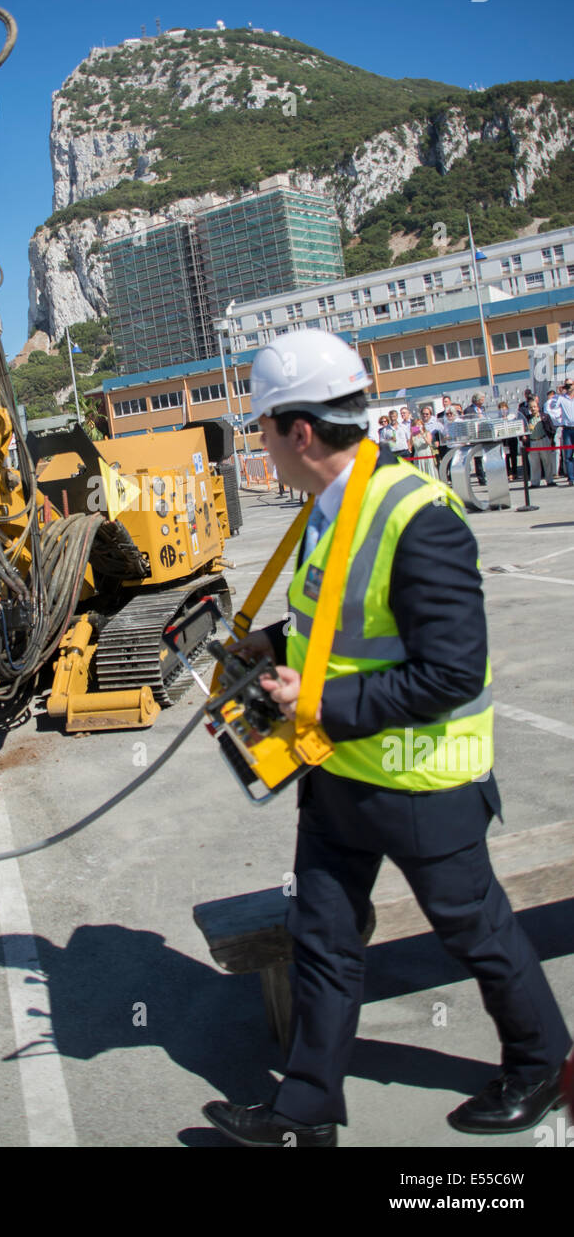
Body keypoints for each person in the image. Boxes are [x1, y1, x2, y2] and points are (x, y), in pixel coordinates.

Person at [202, 327, 571, 1149]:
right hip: (338, 772)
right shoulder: (334, 508)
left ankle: (543, 1063)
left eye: (261, 429)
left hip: (423, 780)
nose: (259, 447)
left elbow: (452, 673)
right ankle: (306, 1113)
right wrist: (276, 645)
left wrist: (318, 698)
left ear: (299, 431)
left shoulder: (416, 513)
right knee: (323, 938)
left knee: (476, 930)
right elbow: (349, 627)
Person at [521, 395, 556, 487]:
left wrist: (551, 439)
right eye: (531, 407)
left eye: (534, 407)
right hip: (532, 442)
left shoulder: (545, 416)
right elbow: (522, 431)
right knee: (534, 463)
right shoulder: (527, 419)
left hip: (543, 440)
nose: (533, 409)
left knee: (547, 461)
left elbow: (551, 429)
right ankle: (535, 482)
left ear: (538, 407)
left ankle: (550, 480)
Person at [558, 381, 574, 486]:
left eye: (570, 384)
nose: (569, 387)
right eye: (566, 384)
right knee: (568, 455)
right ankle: (572, 478)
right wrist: (558, 393)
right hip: (567, 429)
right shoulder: (561, 398)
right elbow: (549, 408)